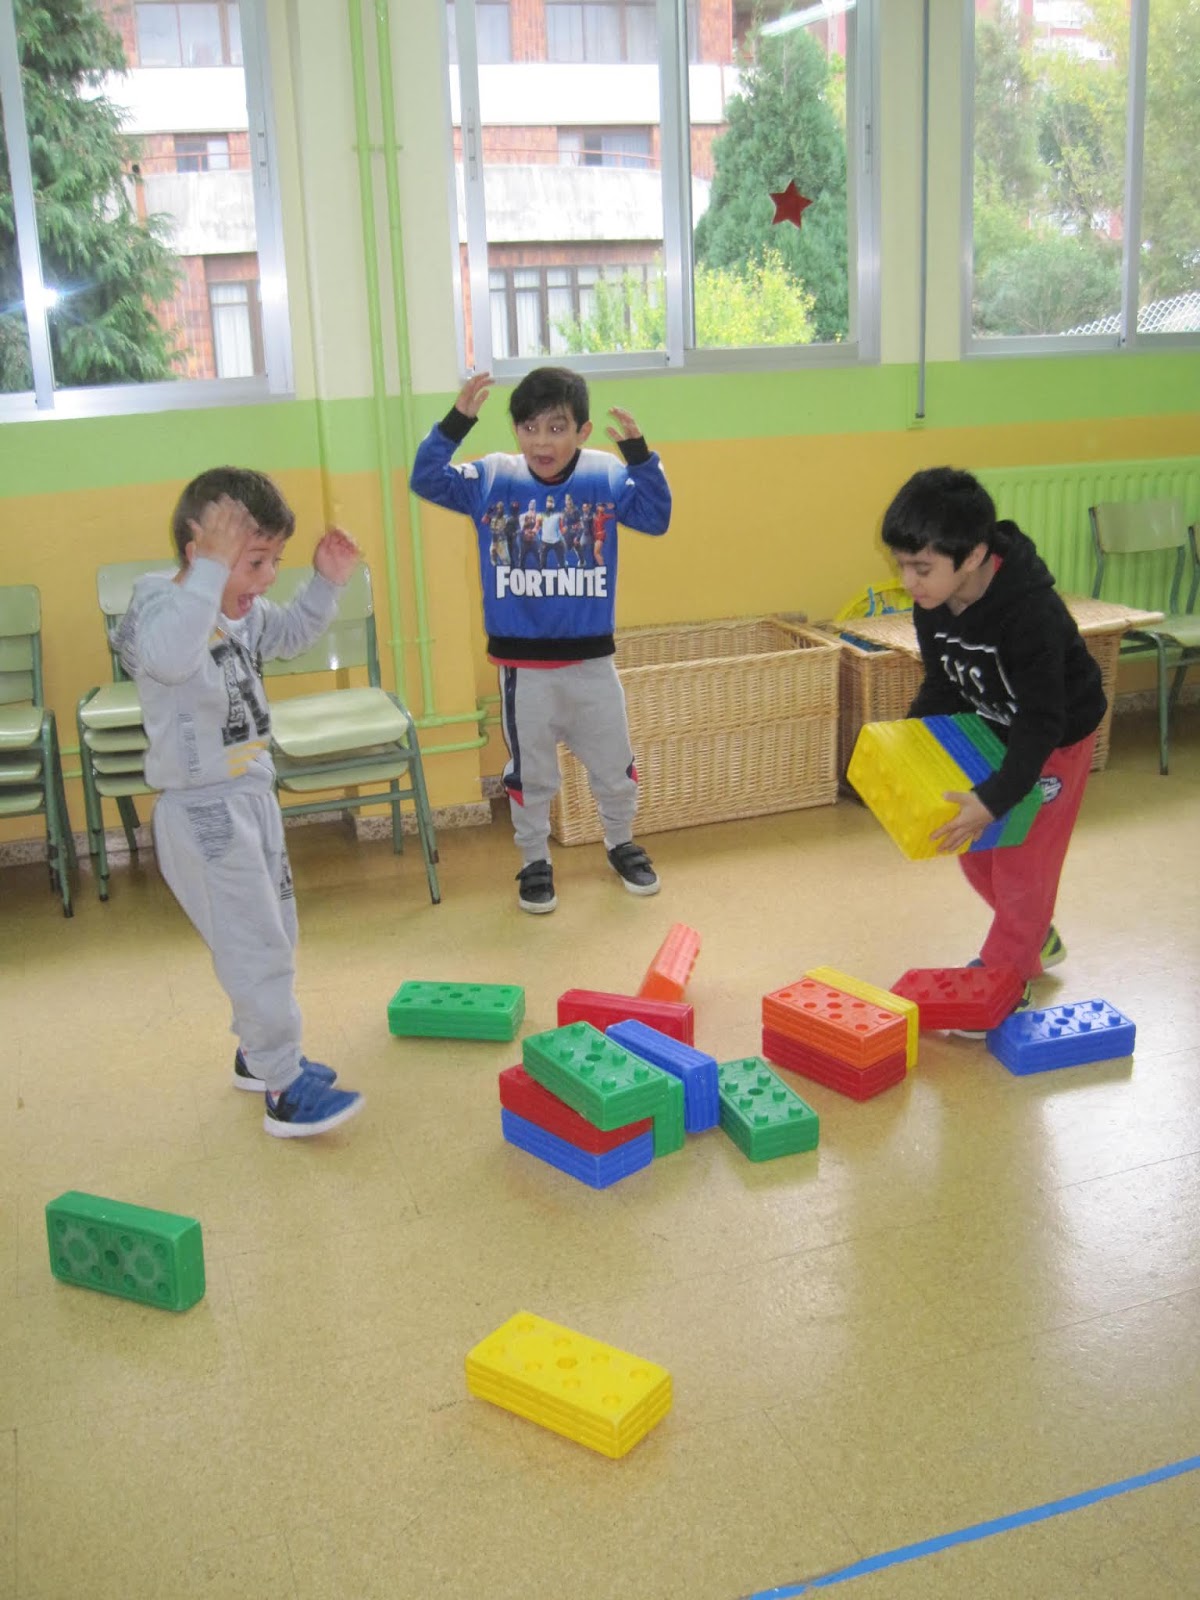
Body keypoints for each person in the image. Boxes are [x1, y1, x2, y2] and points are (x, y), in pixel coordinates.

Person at [116, 467, 367, 1137]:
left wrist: (326, 582)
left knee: (274, 935)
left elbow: (286, 635)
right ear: (200, 555)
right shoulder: (157, 609)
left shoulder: (241, 612)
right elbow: (170, 658)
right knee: (256, 948)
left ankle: (260, 1056)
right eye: (253, 561)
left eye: (273, 562)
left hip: (250, 797)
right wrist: (211, 575)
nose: (264, 580)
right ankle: (283, 1089)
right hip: (201, 812)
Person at [410, 365, 672, 914]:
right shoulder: (494, 477)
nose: (540, 442)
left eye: (556, 428)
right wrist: (457, 421)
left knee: (615, 766)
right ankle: (534, 859)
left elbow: (655, 518)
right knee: (531, 775)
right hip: (523, 668)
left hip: (592, 663)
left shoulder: (603, 474)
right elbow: (426, 478)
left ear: (581, 431)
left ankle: (621, 843)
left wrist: (642, 458)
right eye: (528, 428)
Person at [881, 466, 1107, 1010]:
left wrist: (996, 796)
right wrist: (908, 745)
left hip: (1055, 738)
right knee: (974, 849)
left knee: (1024, 863)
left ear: (975, 555)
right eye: (903, 566)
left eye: (921, 568)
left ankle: (1007, 976)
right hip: (996, 726)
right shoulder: (932, 603)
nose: (909, 582)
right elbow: (944, 681)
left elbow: (1042, 720)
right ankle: (1034, 933)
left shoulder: (1030, 614)